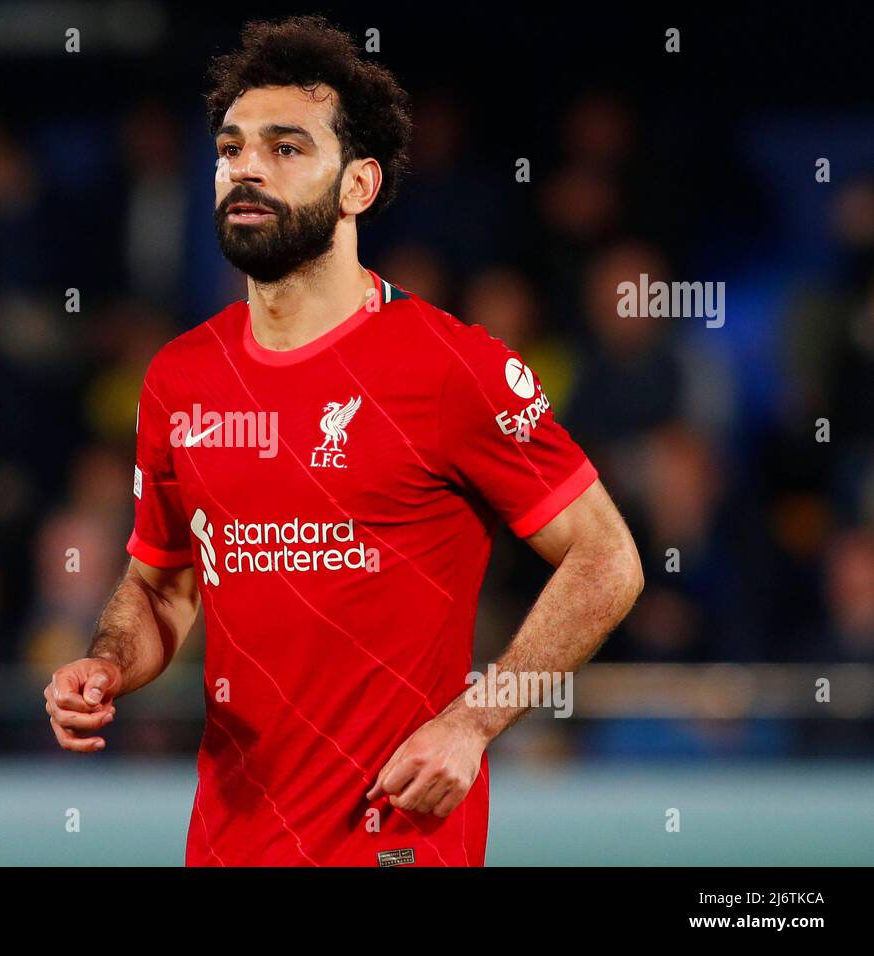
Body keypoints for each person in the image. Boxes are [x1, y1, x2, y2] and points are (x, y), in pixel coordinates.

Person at [46, 15, 643, 866]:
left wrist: (475, 720)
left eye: (286, 148)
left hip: (394, 842)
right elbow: (162, 587)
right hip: (228, 842)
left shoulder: (450, 367)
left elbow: (607, 560)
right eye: (231, 147)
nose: (246, 166)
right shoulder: (180, 378)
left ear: (359, 186)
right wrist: (104, 665)